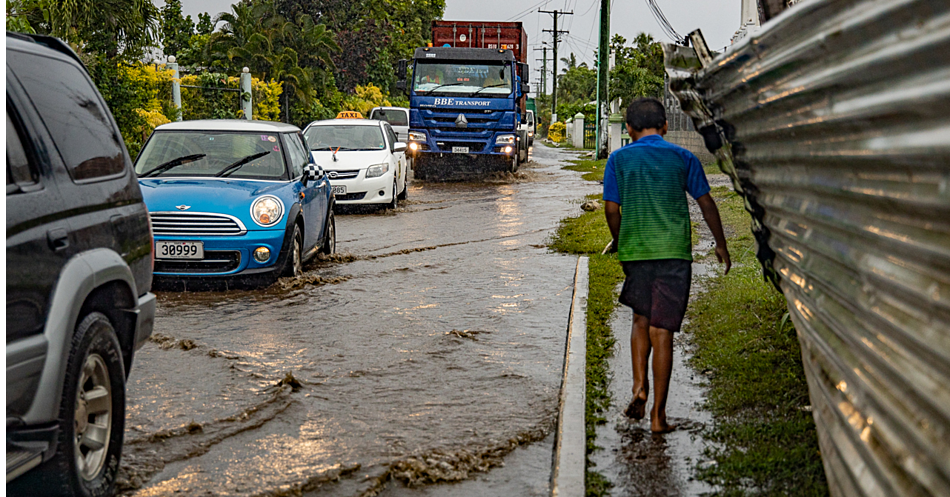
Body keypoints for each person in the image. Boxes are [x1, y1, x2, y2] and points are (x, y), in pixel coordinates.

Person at [603, 97, 731, 433]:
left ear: (628, 129)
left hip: (636, 252)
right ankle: (658, 417)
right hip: (674, 254)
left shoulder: (618, 159)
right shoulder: (683, 157)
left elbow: (612, 210)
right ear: (665, 126)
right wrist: (720, 244)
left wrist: (619, 239)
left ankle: (638, 387)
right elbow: (707, 203)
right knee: (663, 331)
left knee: (640, 319)